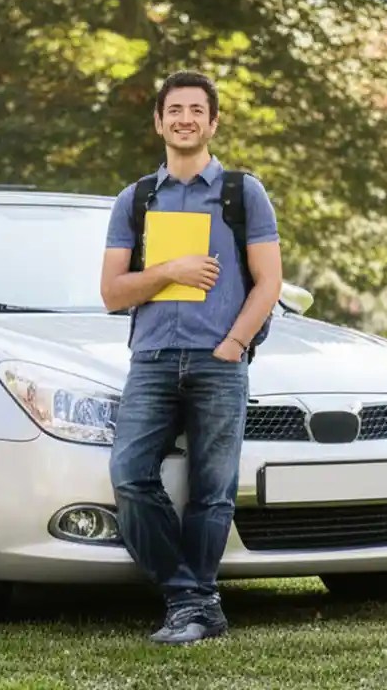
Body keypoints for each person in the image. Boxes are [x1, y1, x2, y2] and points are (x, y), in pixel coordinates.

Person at [100, 70, 283, 644]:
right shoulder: (135, 200)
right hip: (151, 360)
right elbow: (111, 292)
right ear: (158, 121)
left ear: (213, 121)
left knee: (213, 490)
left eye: (196, 110)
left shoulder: (241, 192)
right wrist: (169, 272)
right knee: (129, 476)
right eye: (174, 109)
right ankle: (193, 598)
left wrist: (233, 346)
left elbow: (269, 282)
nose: (185, 118)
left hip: (218, 362)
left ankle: (191, 608)